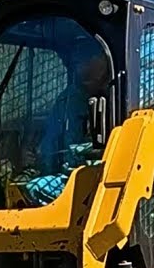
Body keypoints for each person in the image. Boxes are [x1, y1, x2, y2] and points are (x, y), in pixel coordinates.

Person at [18, 51, 111, 206]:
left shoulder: (124, 96)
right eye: (80, 59)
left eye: (90, 55)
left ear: (104, 61)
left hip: (106, 176)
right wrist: (35, 160)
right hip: (68, 177)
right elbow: (50, 147)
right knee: (34, 187)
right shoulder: (66, 101)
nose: (83, 64)